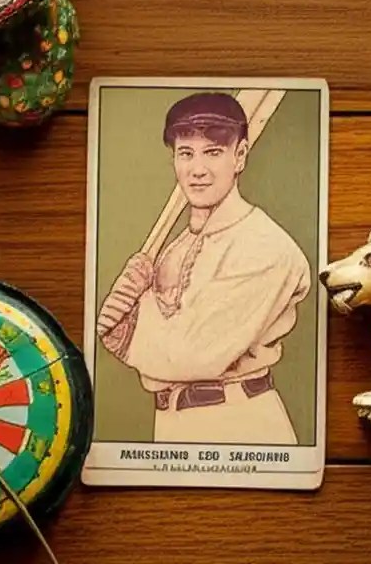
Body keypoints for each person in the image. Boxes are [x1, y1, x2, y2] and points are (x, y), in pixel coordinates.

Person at [97, 92, 310, 445]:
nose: (197, 170)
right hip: (171, 423)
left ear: (239, 156)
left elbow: (193, 353)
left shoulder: (264, 246)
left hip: (240, 424)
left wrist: (130, 320)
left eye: (213, 152)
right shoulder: (178, 246)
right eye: (186, 153)